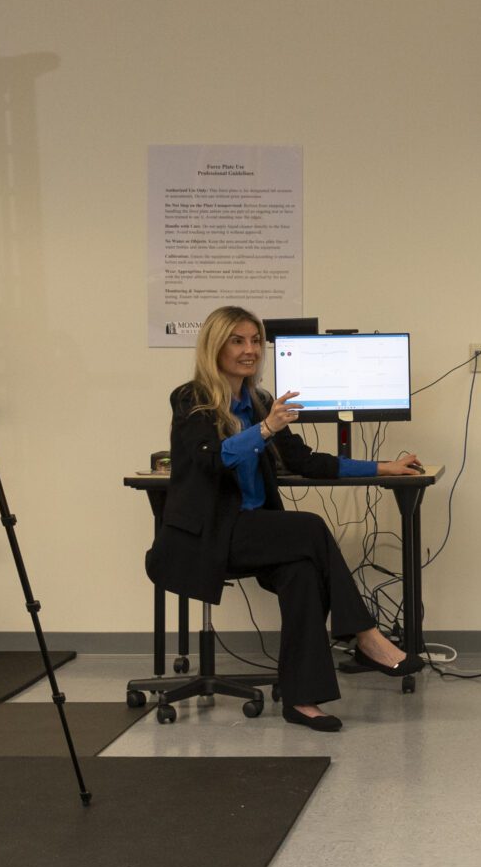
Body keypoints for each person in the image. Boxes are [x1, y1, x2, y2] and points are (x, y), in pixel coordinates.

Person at [152, 306, 426, 732]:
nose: (250, 350)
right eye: (237, 341)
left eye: (255, 341)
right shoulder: (192, 399)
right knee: (311, 527)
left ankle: (301, 700)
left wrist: (383, 466)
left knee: (301, 572)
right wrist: (264, 429)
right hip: (209, 536)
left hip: (254, 530)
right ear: (215, 346)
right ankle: (365, 636)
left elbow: (304, 461)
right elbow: (210, 460)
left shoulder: (260, 402)